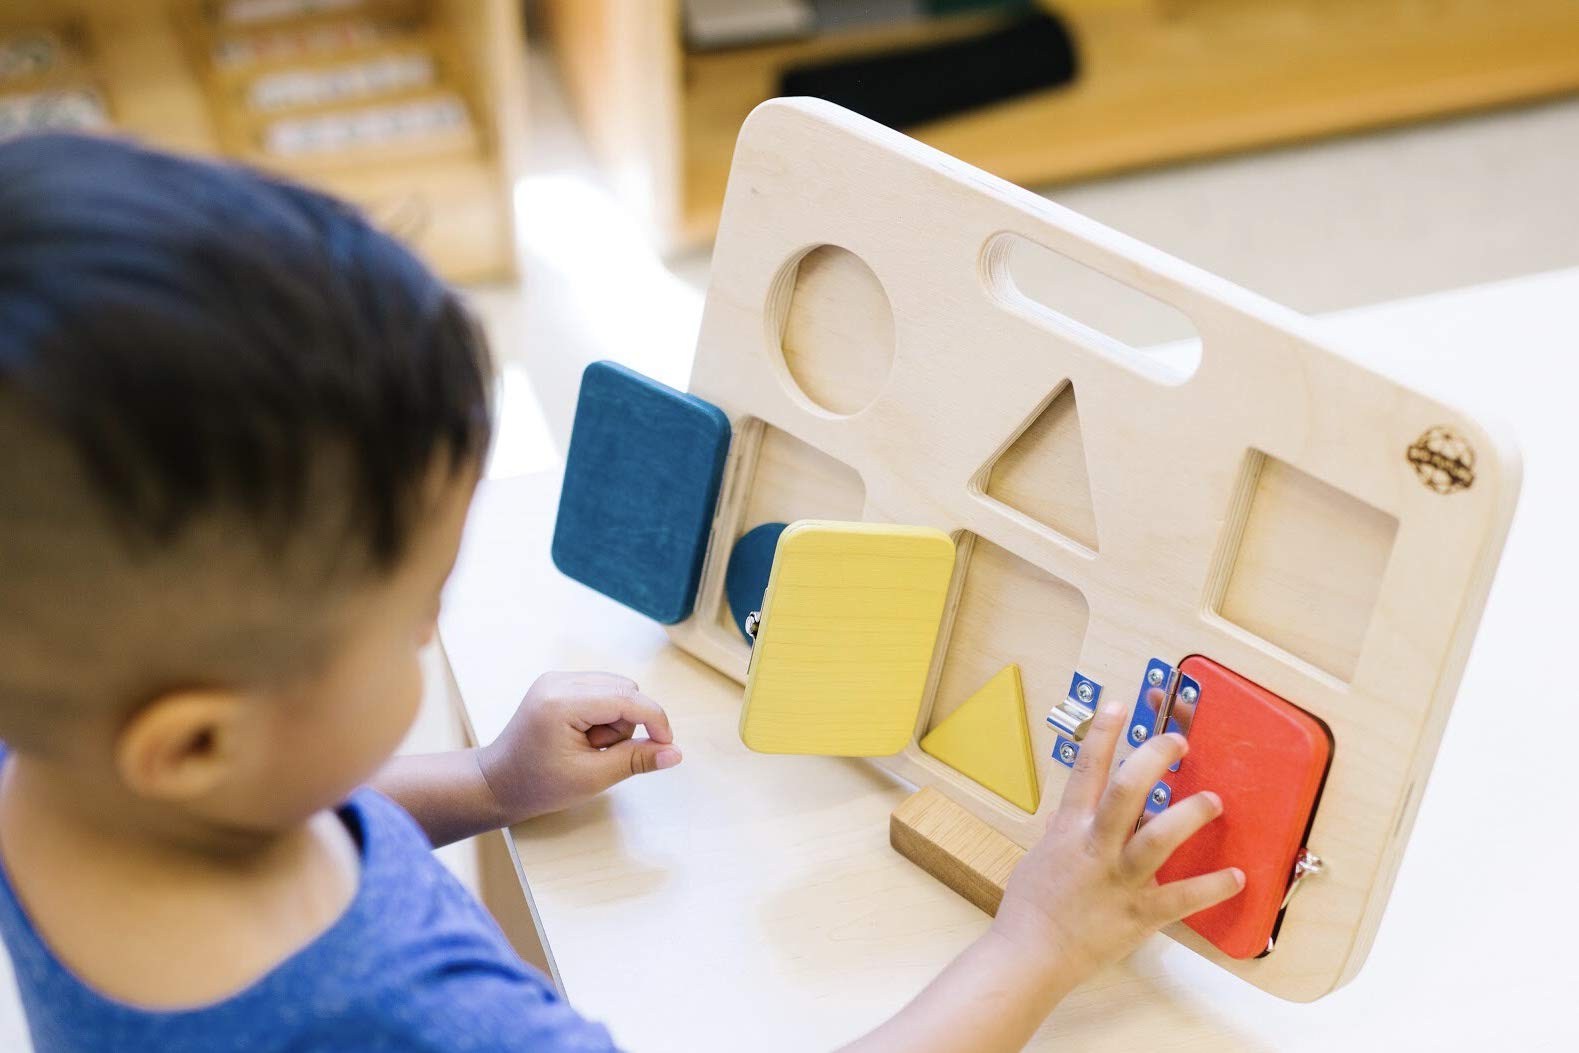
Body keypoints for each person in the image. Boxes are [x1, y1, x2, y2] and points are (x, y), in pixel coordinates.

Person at [0, 133, 1243, 1052]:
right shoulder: (421, 1021)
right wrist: (1043, 943)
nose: (435, 629)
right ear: (195, 737)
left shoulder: (56, 746)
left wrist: (488, 783)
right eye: (405, 612)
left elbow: (282, 808)